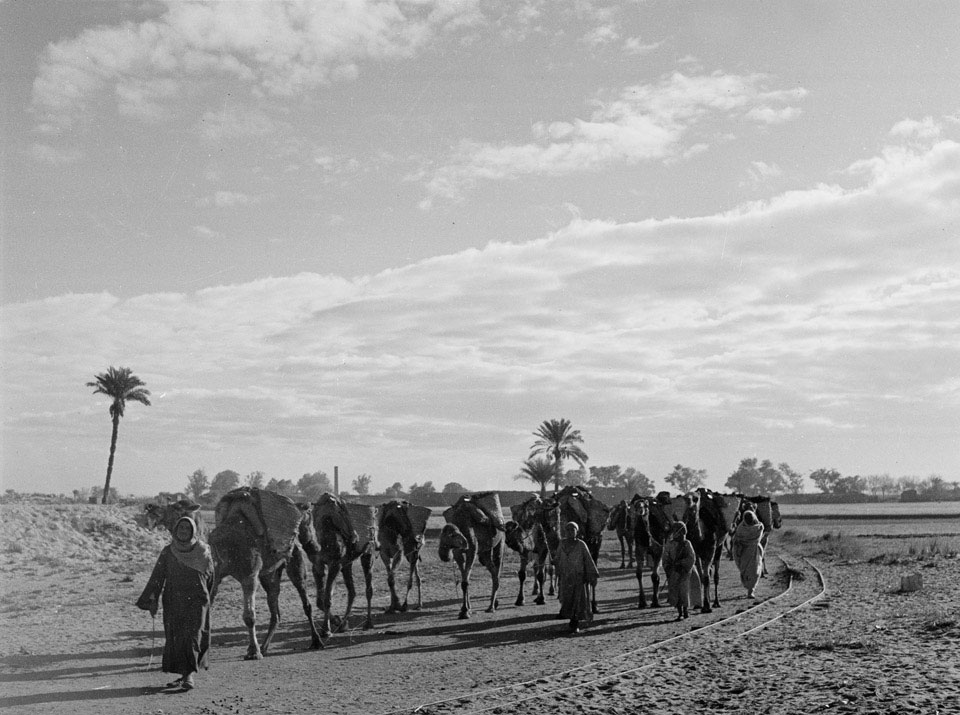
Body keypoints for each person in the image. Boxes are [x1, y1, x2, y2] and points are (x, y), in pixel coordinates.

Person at [136, 515, 215, 691]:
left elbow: (211, 578)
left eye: (187, 529)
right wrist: (152, 600)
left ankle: (188, 676)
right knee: (177, 638)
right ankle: (184, 675)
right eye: (181, 528)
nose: (184, 531)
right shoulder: (168, 551)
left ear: (193, 531)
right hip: (174, 601)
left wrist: (205, 598)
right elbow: (157, 578)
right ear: (176, 531)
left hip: (197, 600)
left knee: (193, 636)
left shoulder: (203, 551)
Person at [553, 521, 599, 634]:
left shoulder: (581, 544)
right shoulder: (562, 544)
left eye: (572, 530)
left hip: (578, 577)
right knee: (567, 599)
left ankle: (575, 623)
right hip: (566, 577)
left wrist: (592, 574)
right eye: (568, 530)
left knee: (578, 601)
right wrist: (554, 561)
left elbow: (588, 559)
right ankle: (571, 620)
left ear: (576, 532)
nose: (570, 532)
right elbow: (558, 557)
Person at [662, 521, 696, 621]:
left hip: (684, 572)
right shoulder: (670, 544)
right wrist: (668, 567)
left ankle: (685, 611)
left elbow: (691, 557)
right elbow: (665, 557)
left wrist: (682, 564)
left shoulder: (687, 544)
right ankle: (679, 612)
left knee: (684, 591)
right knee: (675, 591)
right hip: (673, 572)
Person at [731, 509, 764, 598]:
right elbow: (736, 540)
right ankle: (749, 587)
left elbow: (758, 537)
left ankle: (751, 590)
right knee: (745, 571)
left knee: (755, 571)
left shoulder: (759, 527)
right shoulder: (741, 528)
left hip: (754, 552)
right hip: (744, 553)